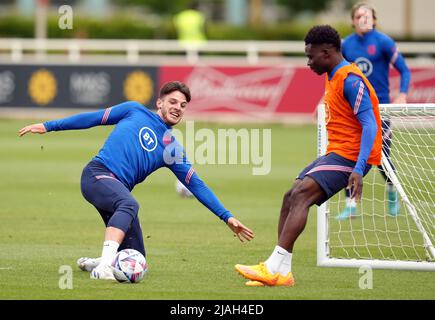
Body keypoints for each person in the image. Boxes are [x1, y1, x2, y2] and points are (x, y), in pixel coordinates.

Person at [19, 81, 254, 281]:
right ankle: (103, 269)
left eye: (183, 106)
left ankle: (99, 261)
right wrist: (49, 126)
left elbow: (196, 185)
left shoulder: (171, 148)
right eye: (172, 102)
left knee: (136, 258)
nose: (178, 108)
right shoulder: (134, 110)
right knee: (129, 205)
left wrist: (227, 217)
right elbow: (93, 119)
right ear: (159, 103)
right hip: (97, 174)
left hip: (116, 189)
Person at [234, 25, 382, 287]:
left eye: (311, 57)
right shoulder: (333, 75)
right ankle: (283, 273)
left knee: (302, 194)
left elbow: (369, 124)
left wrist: (358, 168)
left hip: (353, 158)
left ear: (327, 53)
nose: (308, 62)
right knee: (290, 195)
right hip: (337, 153)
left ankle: (271, 267)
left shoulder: (351, 80)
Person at [338, 2, 411, 219]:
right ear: (352, 20)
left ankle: (391, 194)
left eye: (367, 16)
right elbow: (337, 74)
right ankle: (350, 205)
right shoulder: (346, 45)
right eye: (359, 16)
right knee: (347, 155)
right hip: (352, 111)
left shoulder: (384, 42)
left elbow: (404, 71)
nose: (363, 19)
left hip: (380, 109)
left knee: (382, 158)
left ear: (374, 20)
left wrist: (403, 94)